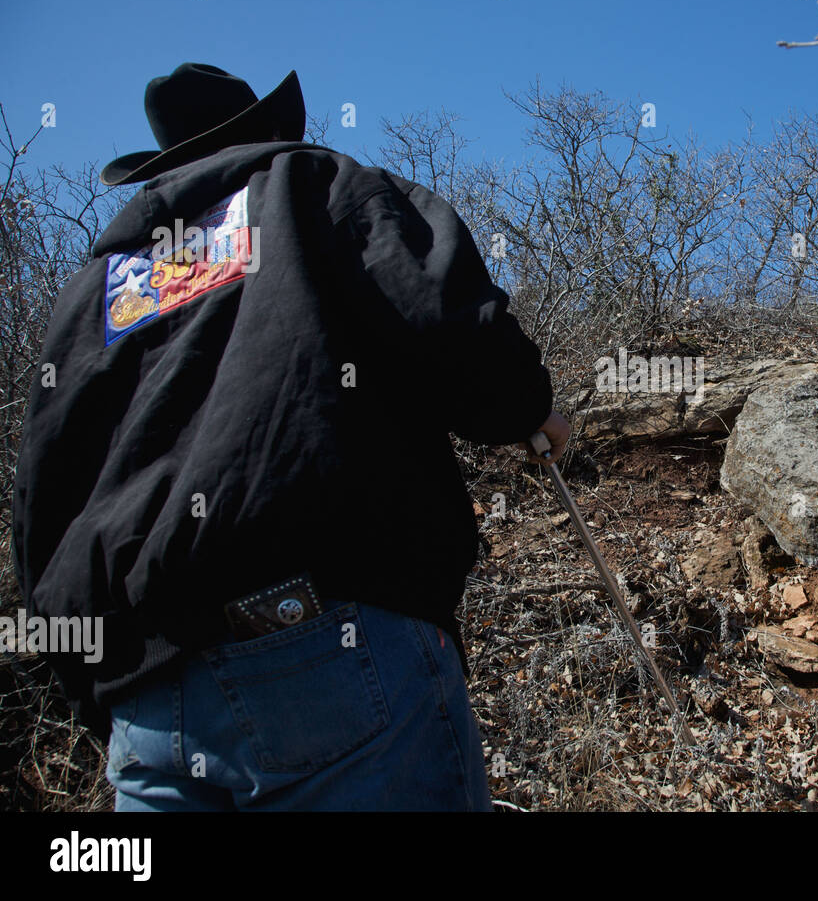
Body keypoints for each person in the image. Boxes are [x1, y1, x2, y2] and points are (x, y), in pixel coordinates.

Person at [11, 62, 570, 810]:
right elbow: (443, 316)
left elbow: (42, 495)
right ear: (272, 133)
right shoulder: (307, 183)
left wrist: (101, 692)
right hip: (329, 651)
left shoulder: (98, 287)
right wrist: (528, 410)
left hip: (146, 705)